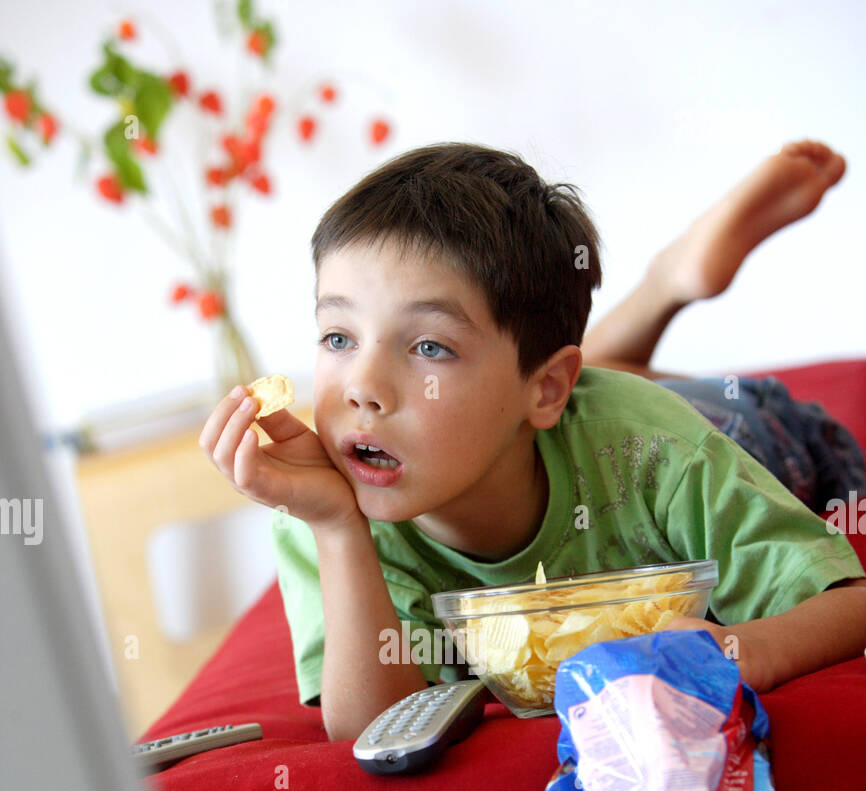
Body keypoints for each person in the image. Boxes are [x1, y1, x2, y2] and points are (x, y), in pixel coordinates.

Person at [198, 140, 866, 742]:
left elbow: (847, 604)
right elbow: (372, 730)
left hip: (752, 429)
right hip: (560, 406)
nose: (362, 388)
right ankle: (658, 291)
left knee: (604, 402)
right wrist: (340, 531)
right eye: (339, 338)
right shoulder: (325, 503)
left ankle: (660, 293)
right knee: (546, 397)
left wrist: (743, 649)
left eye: (429, 346)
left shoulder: (658, 451)